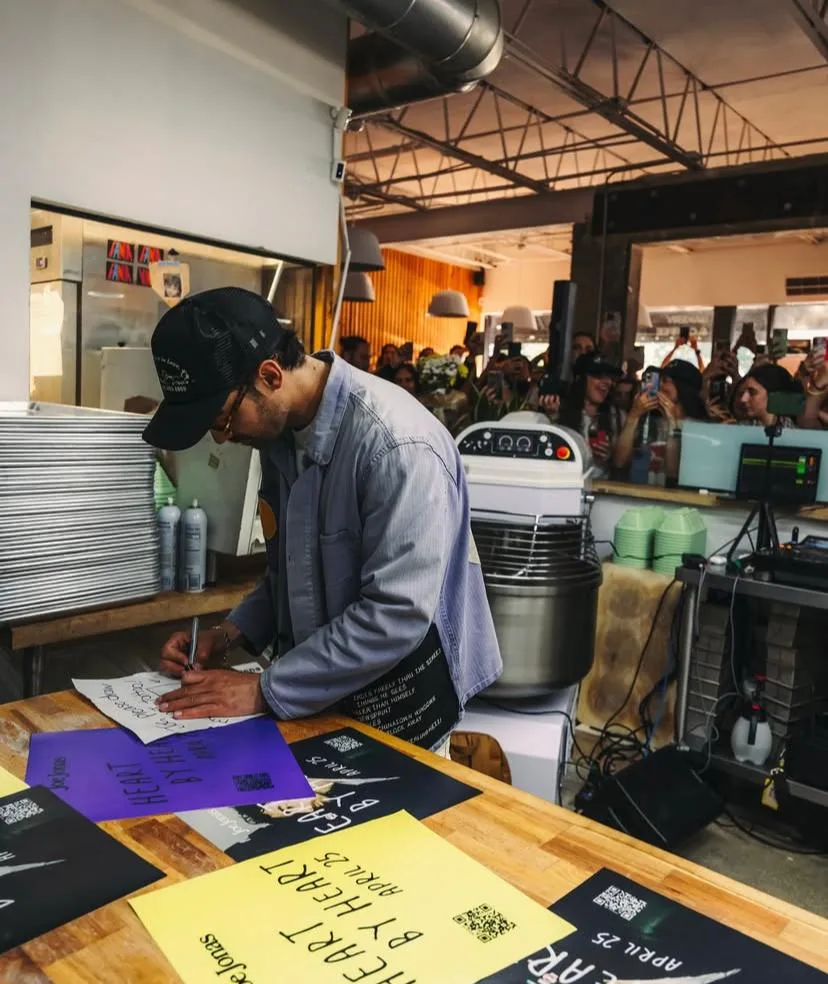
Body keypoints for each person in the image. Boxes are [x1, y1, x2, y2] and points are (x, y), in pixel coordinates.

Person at [143, 288, 501, 752]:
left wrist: (261, 689)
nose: (223, 438)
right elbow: (290, 573)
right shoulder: (282, 440)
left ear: (270, 375)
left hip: (399, 706)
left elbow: (395, 615)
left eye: (224, 420)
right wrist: (227, 634)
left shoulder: (396, 447)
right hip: (317, 701)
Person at [613, 360, 706, 484]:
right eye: (659, 380)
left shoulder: (698, 429)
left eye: (666, 381)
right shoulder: (647, 419)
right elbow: (619, 462)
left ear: (683, 388)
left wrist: (673, 422)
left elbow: (674, 473)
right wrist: (633, 415)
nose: (659, 386)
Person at [557, 352, 624, 478]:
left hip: (603, 491)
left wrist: (612, 455)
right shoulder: (561, 412)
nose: (607, 381)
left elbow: (625, 463)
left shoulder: (617, 416)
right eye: (598, 375)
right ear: (580, 379)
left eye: (609, 376)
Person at [735, 363, 801, 429]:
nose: (743, 399)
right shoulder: (738, 429)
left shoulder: (794, 432)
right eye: (742, 393)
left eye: (752, 392)